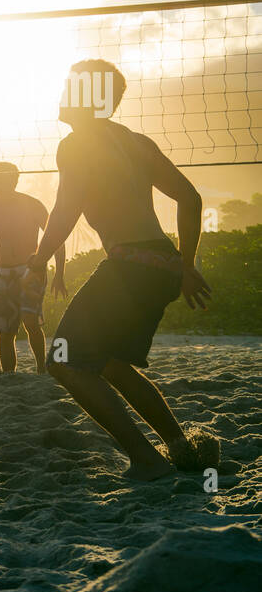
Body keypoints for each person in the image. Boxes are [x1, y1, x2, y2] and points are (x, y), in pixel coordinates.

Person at [27, 59, 217, 481]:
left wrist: (39, 260)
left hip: (130, 265)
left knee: (63, 360)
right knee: (111, 363)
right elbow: (191, 198)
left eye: (70, 85)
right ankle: (182, 448)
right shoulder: (136, 142)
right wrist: (185, 266)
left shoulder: (76, 144)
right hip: (162, 265)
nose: (61, 92)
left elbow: (65, 210)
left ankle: (145, 459)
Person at [0, 161, 66, 373]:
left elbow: (55, 238)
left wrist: (60, 273)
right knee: (5, 330)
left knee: (31, 322)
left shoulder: (32, 205)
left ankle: (41, 370)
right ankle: (8, 375)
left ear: (12, 180)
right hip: (4, 270)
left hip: (31, 270)